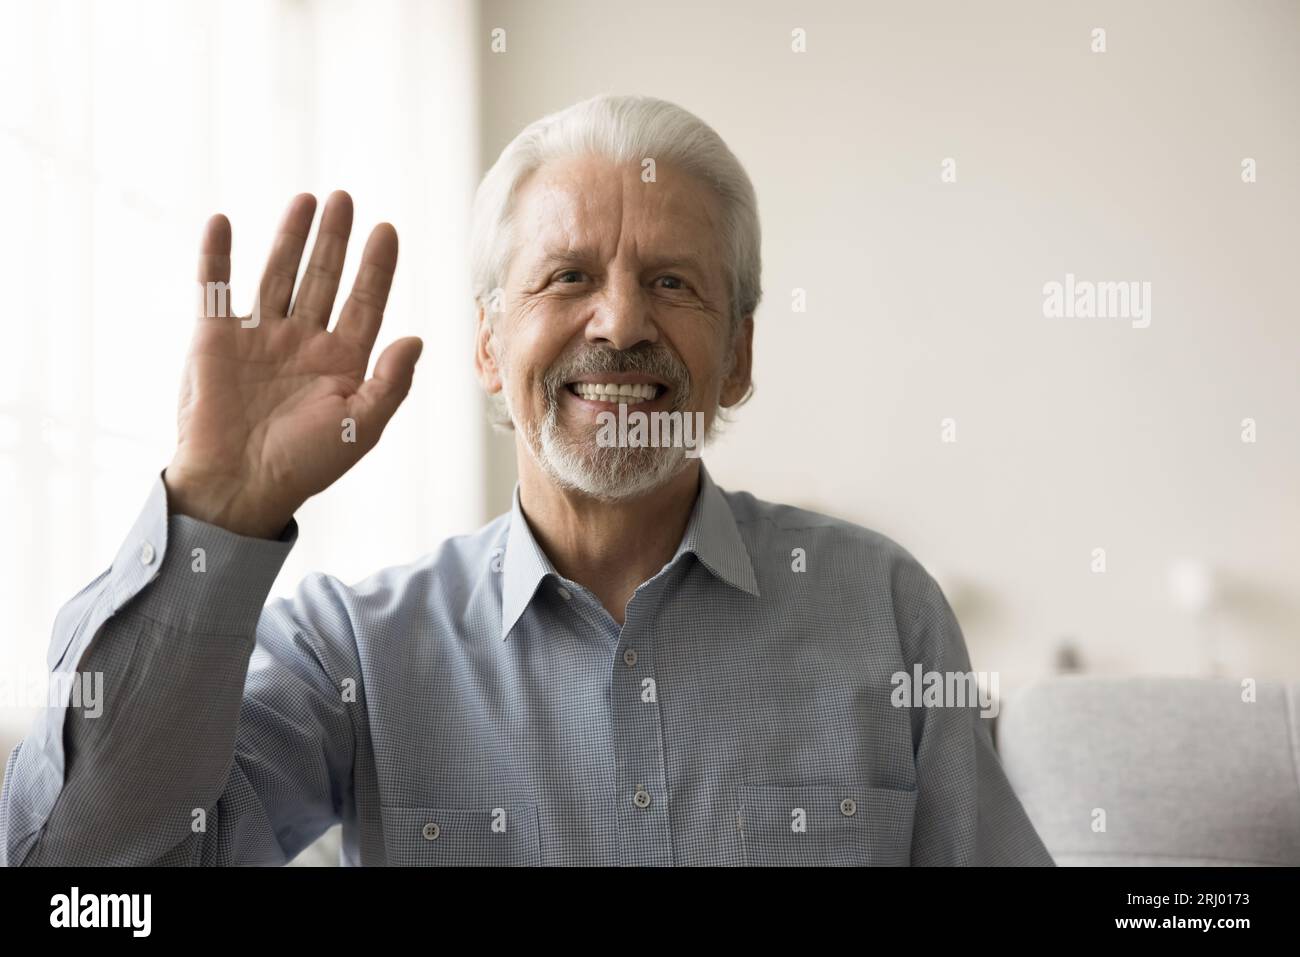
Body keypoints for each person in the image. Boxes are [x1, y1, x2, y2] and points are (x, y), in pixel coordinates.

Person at [0, 94, 1051, 866]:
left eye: (673, 283)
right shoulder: (352, 650)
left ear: (736, 354)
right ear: (489, 345)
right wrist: (214, 517)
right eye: (568, 277)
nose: (623, 323)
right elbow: (86, 880)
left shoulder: (882, 610)